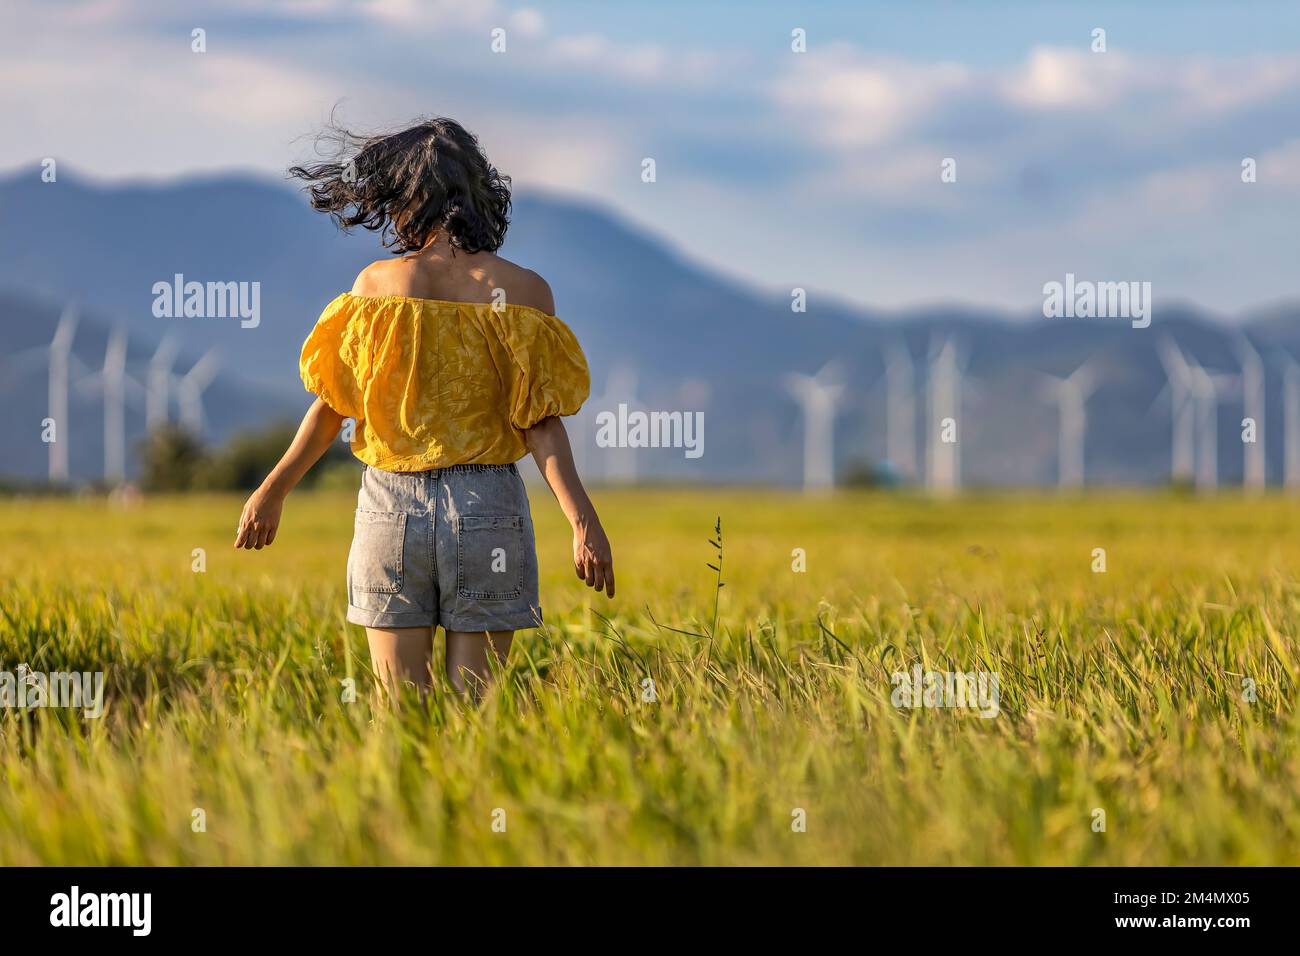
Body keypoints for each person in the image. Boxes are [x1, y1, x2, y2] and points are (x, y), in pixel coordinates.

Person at [234, 117, 614, 701]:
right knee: (474, 715)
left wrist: (271, 491)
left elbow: (332, 410)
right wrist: (583, 523)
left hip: (392, 507)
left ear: (408, 197)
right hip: (488, 505)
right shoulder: (523, 292)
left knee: (400, 716)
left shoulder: (377, 287)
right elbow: (542, 424)